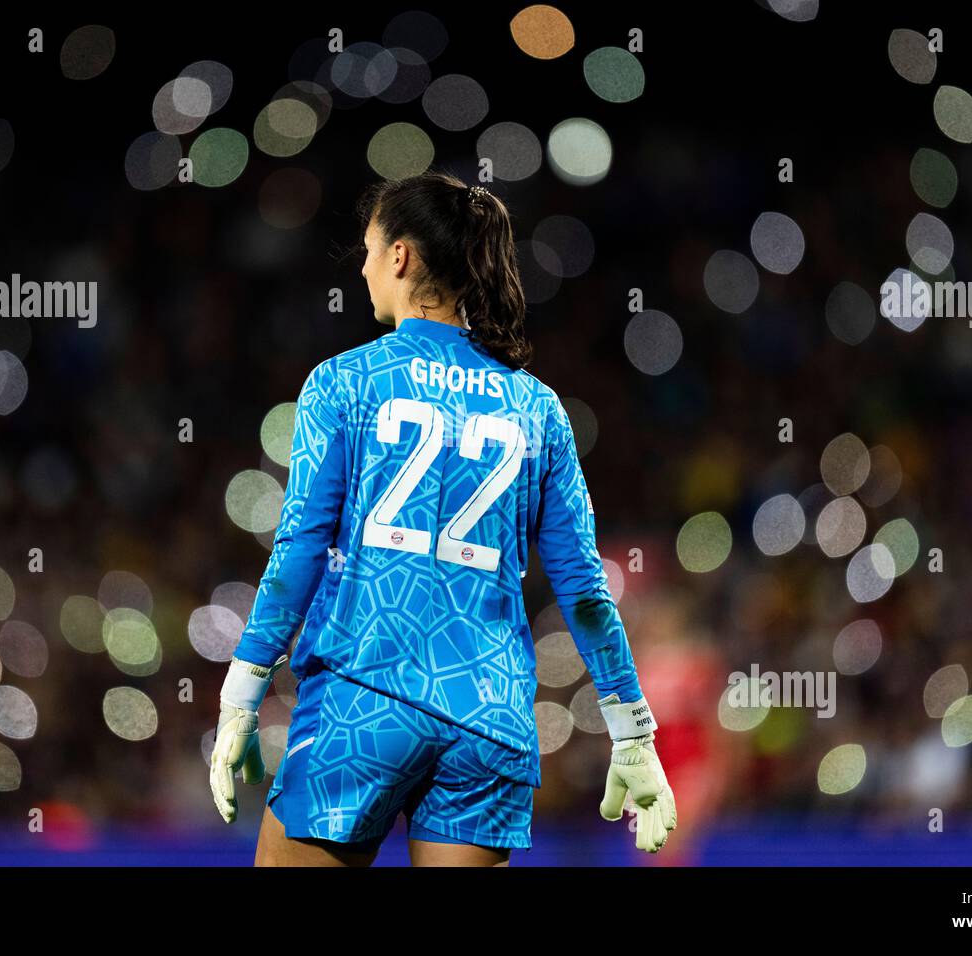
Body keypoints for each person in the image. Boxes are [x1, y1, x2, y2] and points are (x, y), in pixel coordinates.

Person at [209, 170, 675, 867]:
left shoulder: (344, 381)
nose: (362, 267)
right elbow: (583, 588)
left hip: (363, 699)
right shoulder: (538, 408)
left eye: (368, 249)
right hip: (489, 714)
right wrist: (632, 729)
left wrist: (241, 694)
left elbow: (299, 549)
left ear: (400, 256)